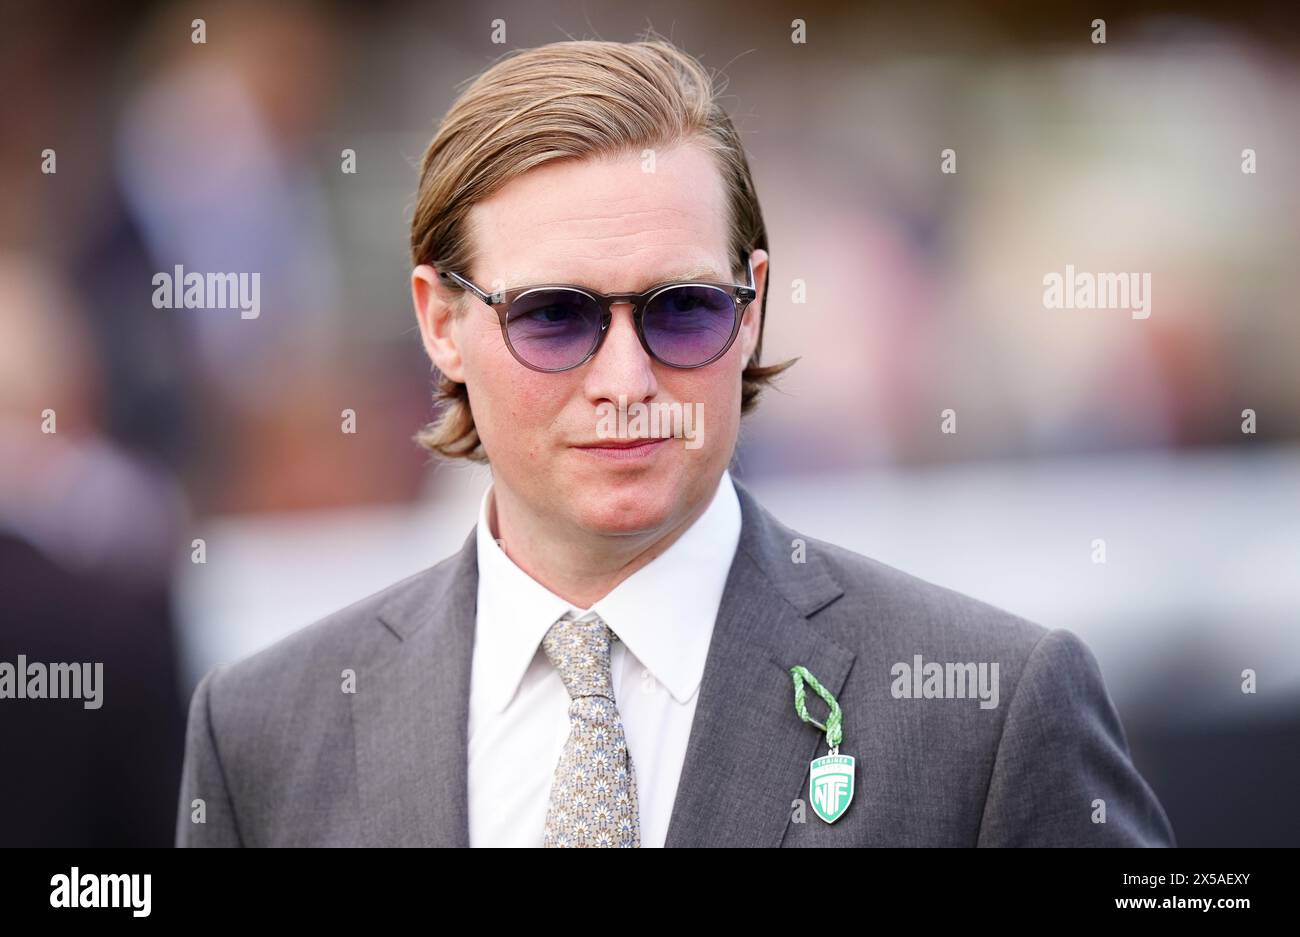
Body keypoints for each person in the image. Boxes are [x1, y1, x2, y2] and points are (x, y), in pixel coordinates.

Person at [176, 37, 1174, 847]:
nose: (626, 379)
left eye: (682, 309)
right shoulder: (265, 730)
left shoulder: (990, 709)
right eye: (555, 317)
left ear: (752, 308)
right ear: (441, 321)